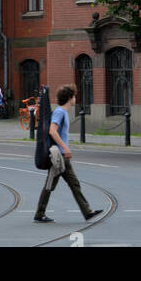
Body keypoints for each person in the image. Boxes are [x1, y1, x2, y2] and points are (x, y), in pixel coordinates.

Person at [34, 85, 103, 224]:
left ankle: (88, 212)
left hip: (63, 157)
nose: (75, 99)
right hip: (58, 157)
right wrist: (65, 147)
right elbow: (52, 131)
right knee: (50, 185)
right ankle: (39, 213)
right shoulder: (60, 112)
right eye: (74, 96)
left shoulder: (62, 112)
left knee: (74, 184)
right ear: (70, 98)